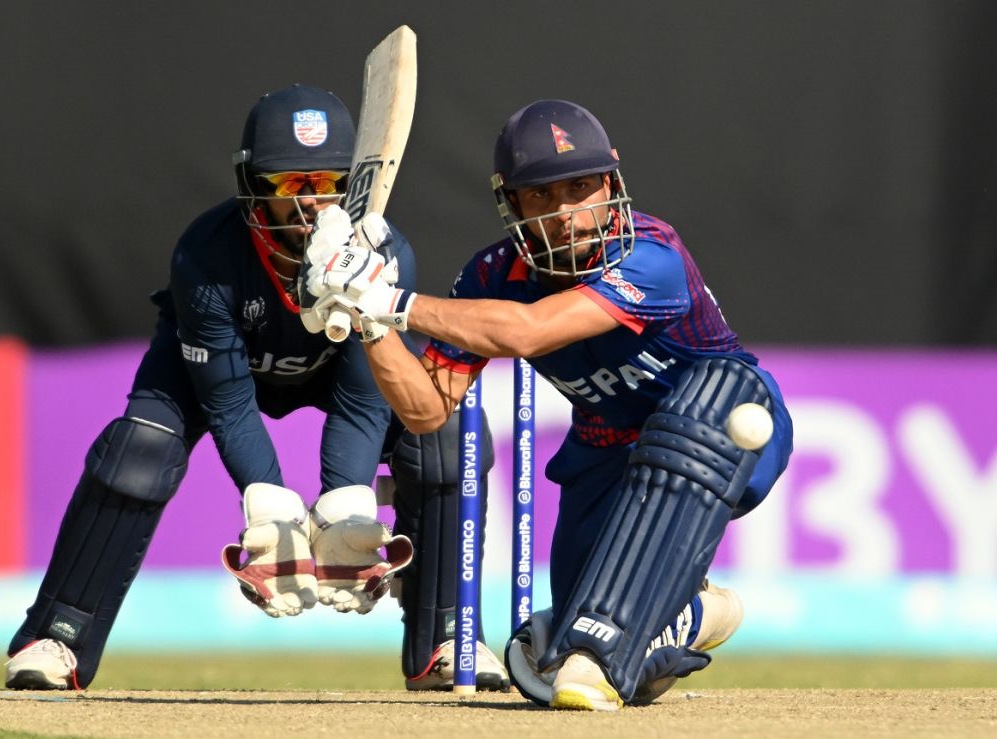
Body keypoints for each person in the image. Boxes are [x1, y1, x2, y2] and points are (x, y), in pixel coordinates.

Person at [3, 84, 508, 692]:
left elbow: (360, 398)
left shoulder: (385, 253)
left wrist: (345, 504)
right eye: (290, 186)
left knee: (449, 438)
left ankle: (448, 639)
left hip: (336, 373)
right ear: (251, 188)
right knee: (139, 451)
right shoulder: (206, 254)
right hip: (218, 370)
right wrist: (270, 504)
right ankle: (55, 637)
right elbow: (228, 398)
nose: (311, 208)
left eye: (326, 184)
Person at [301, 99, 794, 711]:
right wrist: (368, 322)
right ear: (511, 204)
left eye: (580, 188)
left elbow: (529, 332)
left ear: (611, 184)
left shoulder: (652, 254)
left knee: (601, 638)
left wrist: (388, 297)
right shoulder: (492, 274)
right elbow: (425, 410)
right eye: (540, 196)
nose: (565, 213)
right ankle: (693, 614)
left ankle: (624, 633)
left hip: (728, 421)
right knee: (573, 650)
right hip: (609, 449)